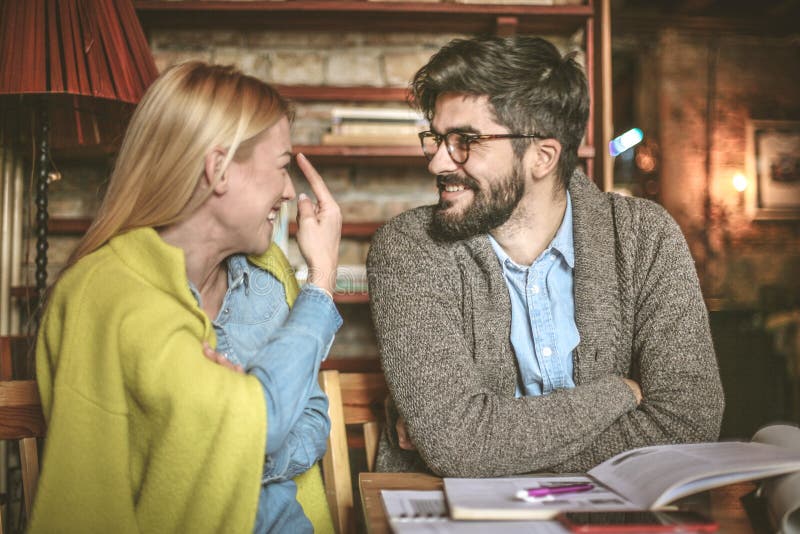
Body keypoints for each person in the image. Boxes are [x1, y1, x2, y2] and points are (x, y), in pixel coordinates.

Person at [367, 36, 724, 477]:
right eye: (437, 139)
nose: (438, 163)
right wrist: (618, 394)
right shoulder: (410, 247)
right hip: (449, 510)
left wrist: (486, 451)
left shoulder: (644, 236)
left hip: (621, 509)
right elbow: (457, 444)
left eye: (465, 141)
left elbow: (689, 421)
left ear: (543, 156)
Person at [32, 62, 342, 533]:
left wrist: (244, 444)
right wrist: (321, 285)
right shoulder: (109, 295)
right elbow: (267, 421)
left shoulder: (269, 272)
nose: (288, 191)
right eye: (282, 167)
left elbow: (311, 414)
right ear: (218, 169)